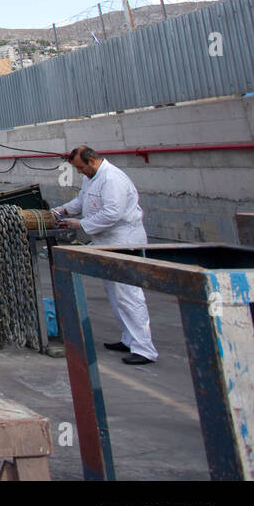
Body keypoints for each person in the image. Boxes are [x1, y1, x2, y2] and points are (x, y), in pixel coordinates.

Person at [51, 146, 158, 366]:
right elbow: (81, 202)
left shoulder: (112, 178)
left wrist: (81, 224)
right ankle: (129, 339)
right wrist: (61, 210)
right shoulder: (92, 177)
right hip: (106, 244)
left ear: (91, 161)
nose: (79, 172)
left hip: (124, 242)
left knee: (129, 295)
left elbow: (112, 213)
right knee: (115, 294)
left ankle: (145, 349)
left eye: (80, 168)